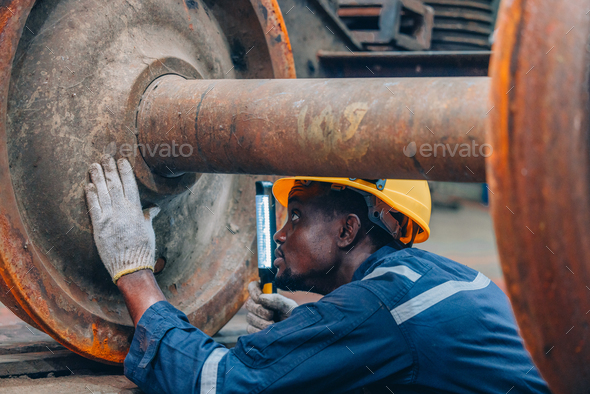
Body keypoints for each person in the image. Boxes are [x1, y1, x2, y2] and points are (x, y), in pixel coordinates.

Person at [84, 154, 551, 394]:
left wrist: (134, 271)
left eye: (298, 216)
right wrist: (309, 333)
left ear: (348, 229)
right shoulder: (418, 279)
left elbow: (219, 382)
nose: (282, 235)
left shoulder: (379, 306)